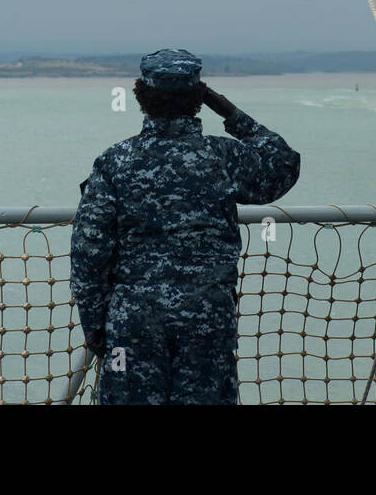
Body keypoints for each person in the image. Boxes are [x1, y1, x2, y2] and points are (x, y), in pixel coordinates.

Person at [70, 48, 300, 404]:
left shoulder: (114, 163)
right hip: (207, 321)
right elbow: (283, 163)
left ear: (141, 96)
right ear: (198, 99)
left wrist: (98, 329)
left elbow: (88, 253)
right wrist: (227, 109)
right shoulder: (223, 157)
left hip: (132, 323)